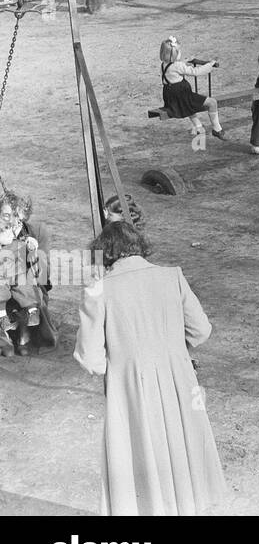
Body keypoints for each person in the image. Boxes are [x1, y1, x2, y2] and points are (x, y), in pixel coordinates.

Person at [73, 220, 226, 514]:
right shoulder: (172, 276)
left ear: (105, 254)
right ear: (139, 246)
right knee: (182, 446)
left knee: (141, 453)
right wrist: (168, 348)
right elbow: (201, 331)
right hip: (180, 380)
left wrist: (120, 356)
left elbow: (90, 359)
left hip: (130, 387)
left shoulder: (100, 290)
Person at [0, 192, 52, 356]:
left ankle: (24, 333)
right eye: (7, 216)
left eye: (18, 219)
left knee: (28, 290)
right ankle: (4, 336)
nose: (14, 222)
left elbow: (44, 272)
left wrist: (33, 255)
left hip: (24, 279)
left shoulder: (32, 232)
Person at [159, 36, 226, 140]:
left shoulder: (164, 64)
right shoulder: (177, 66)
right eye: (179, 51)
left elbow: (176, 66)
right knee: (212, 102)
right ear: (174, 55)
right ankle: (217, 129)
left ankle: (198, 125)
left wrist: (186, 61)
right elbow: (195, 72)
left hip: (171, 98)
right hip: (183, 95)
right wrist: (210, 65)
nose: (180, 53)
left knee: (186, 106)